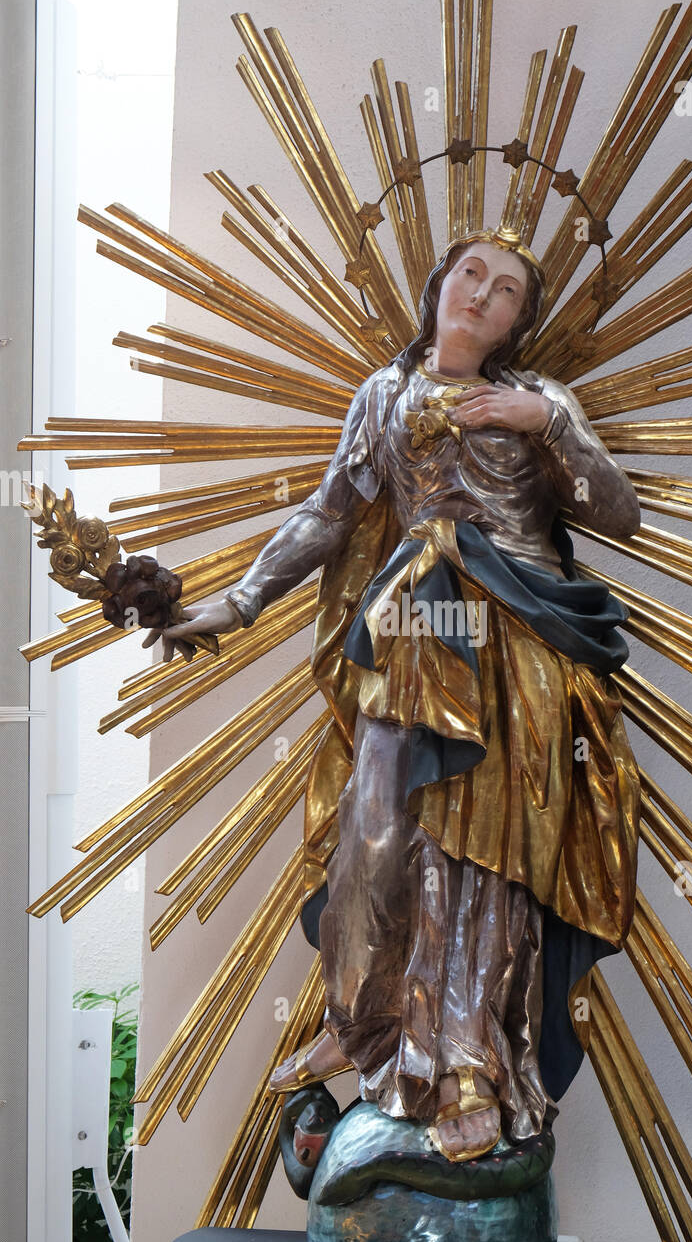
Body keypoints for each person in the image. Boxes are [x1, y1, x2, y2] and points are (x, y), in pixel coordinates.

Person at [147, 227, 642, 1164]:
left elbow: (618, 513)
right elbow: (330, 512)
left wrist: (553, 429)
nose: (483, 295)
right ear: (439, 284)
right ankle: (371, 1017)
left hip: (519, 639)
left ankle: (464, 1058)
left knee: (484, 850)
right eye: (471, 275)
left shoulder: (539, 403)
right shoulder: (386, 394)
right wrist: (241, 600)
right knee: (375, 829)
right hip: (416, 630)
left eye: (506, 291)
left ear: (517, 321)